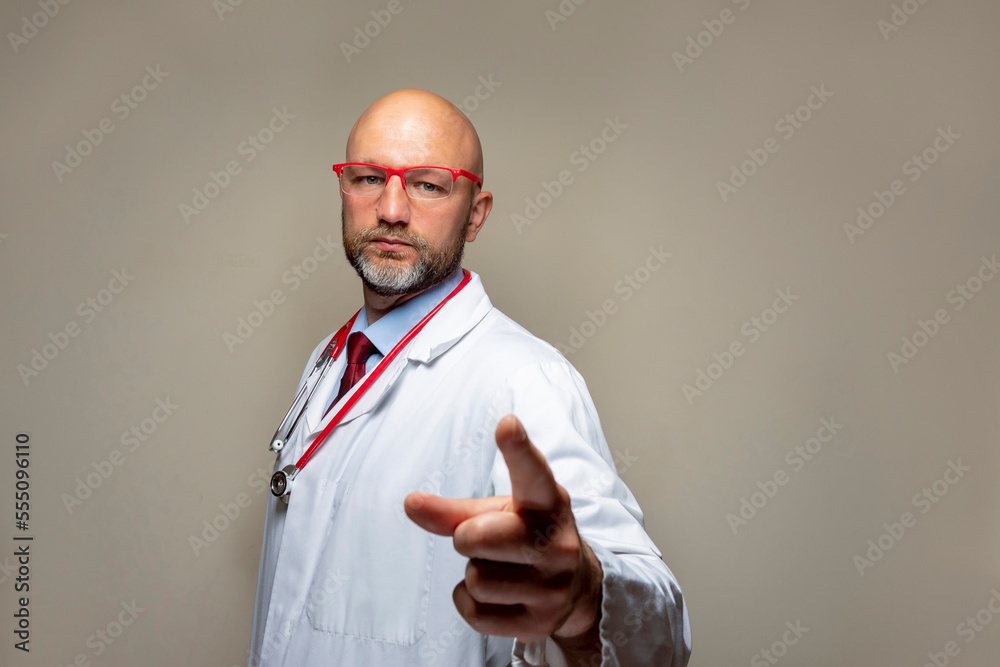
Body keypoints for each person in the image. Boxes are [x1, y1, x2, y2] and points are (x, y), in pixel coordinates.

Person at [248, 88, 691, 666]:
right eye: (368, 178)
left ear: (475, 214)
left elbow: (659, 635)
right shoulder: (331, 360)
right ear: (343, 189)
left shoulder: (524, 381)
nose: (391, 210)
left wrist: (582, 596)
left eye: (429, 184)